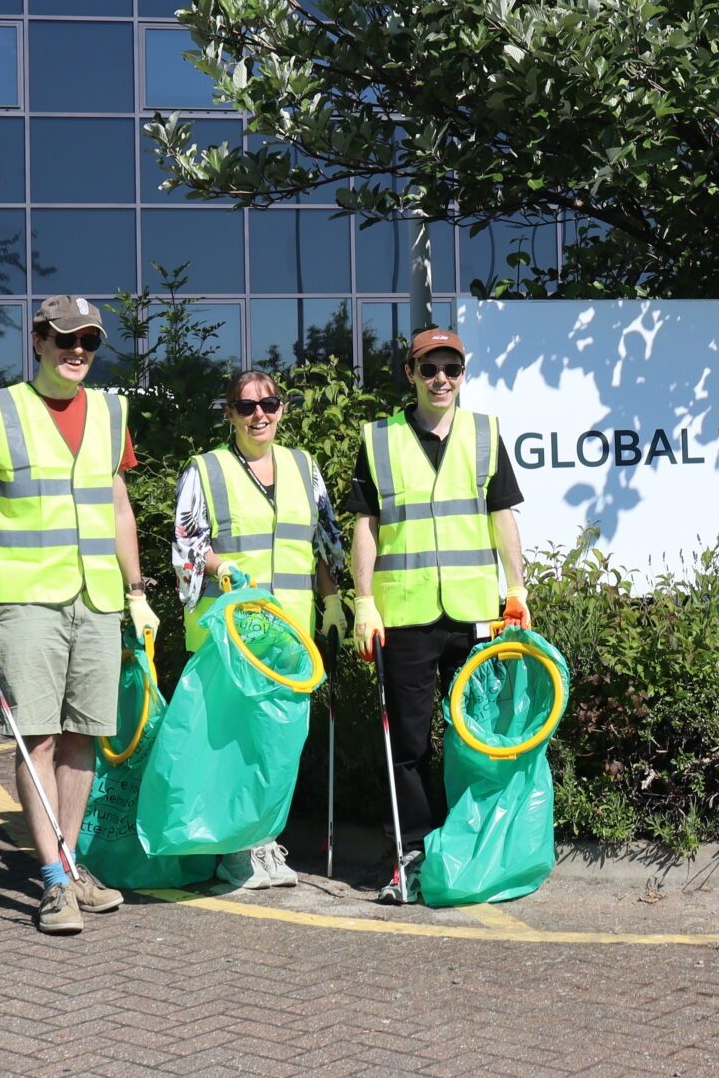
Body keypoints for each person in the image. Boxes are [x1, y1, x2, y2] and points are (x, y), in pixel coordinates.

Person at [0, 295, 161, 932]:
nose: (78, 351)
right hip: (29, 600)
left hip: (97, 599)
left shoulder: (112, 410)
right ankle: (56, 879)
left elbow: (118, 507)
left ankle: (69, 856)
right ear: (37, 340)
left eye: (88, 341)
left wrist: (137, 591)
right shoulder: (0, 409)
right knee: (35, 735)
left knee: (83, 736)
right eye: (65, 339)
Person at [348, 327, 529, 903]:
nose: (442, 379)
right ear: (411, 373)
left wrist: (518, 590)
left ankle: (474, 849)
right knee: (408, 745)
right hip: (403, 616)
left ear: (463, 372)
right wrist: (364, 602)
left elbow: (502, 515)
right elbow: (364, 527)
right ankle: (413, 857)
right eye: (430, 369)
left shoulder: (484, 433)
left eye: (452, 368)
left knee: (478, 738)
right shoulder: (379, 440)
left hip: (476, 612)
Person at [172, 367, 353, 891]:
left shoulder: (304, 468)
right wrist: (219, 566)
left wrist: (333, 598)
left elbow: (322, 545)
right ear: (229, 413)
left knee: (280, 743)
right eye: (246, 406)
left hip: (289, 636)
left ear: (282, 410)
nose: (259, 415)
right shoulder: (206, 470)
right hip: (230, 636)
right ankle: (235, 851)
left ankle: (266, 840)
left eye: (269, 405)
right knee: (234, 745)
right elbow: (187, 546)